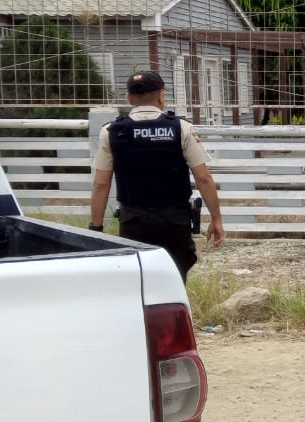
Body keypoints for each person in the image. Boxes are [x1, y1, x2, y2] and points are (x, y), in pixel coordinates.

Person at [89, 71, 224, 280]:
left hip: (133, 222)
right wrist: (216, 219)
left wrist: (96, 227)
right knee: (175, 279)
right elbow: (203, 177)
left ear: (129, 98)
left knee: (139, 282)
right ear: (161, 96)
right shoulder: (181, 128)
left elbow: (100, 184)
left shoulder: (111, 131)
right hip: (175, 222)